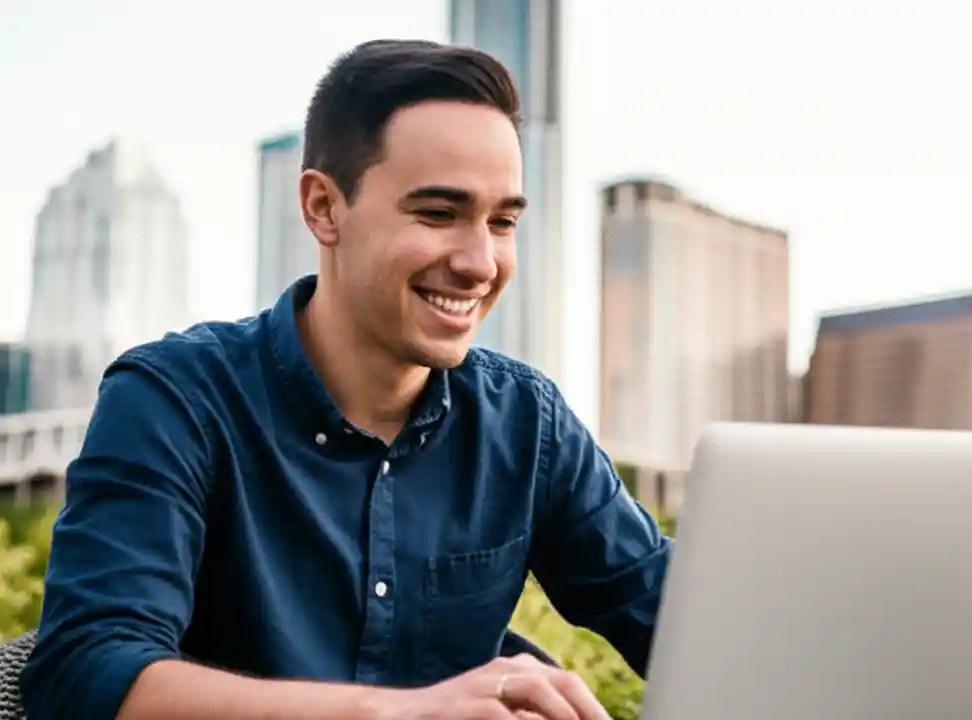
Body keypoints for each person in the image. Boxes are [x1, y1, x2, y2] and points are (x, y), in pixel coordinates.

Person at [20, 39, 671, 720]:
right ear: (324, 208)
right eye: (438, 214)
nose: (481, 263)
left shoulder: (526, 423)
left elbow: (673, 615)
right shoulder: (172, 399)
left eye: (502, 222)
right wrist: (403, 714)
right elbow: (84, 674)